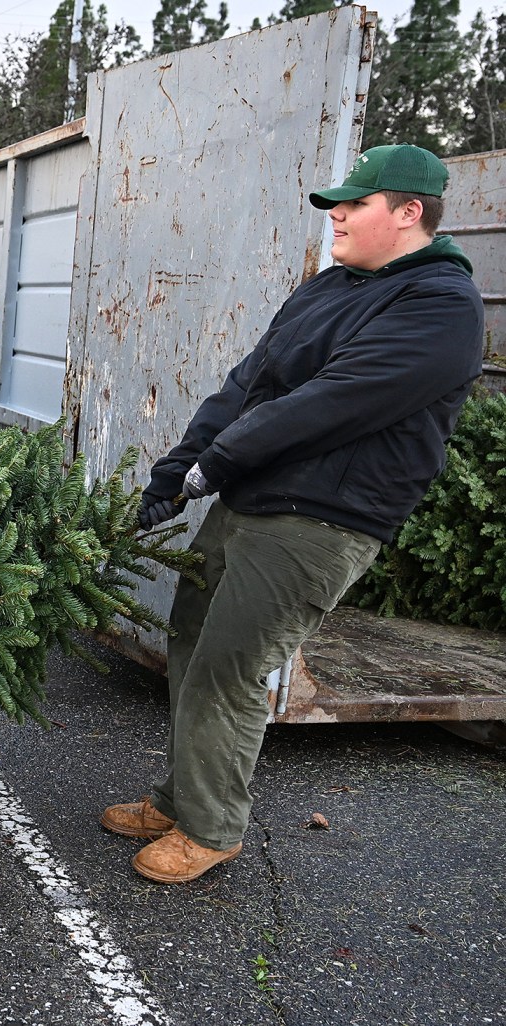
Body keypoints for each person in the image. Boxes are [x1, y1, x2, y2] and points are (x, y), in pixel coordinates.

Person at [104, 144, 486, 884]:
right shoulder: (329, 288)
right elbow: (248, 384)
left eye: (355, 204)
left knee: (229, 666)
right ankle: (182, 797)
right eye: (335, 204)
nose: (336, 215)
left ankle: (212, 829)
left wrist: (220, 464)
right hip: (251, 498)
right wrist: (175, 470)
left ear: (410, 213)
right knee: (189, 640)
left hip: (319, 520)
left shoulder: (441, 307)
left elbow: (331, 401)